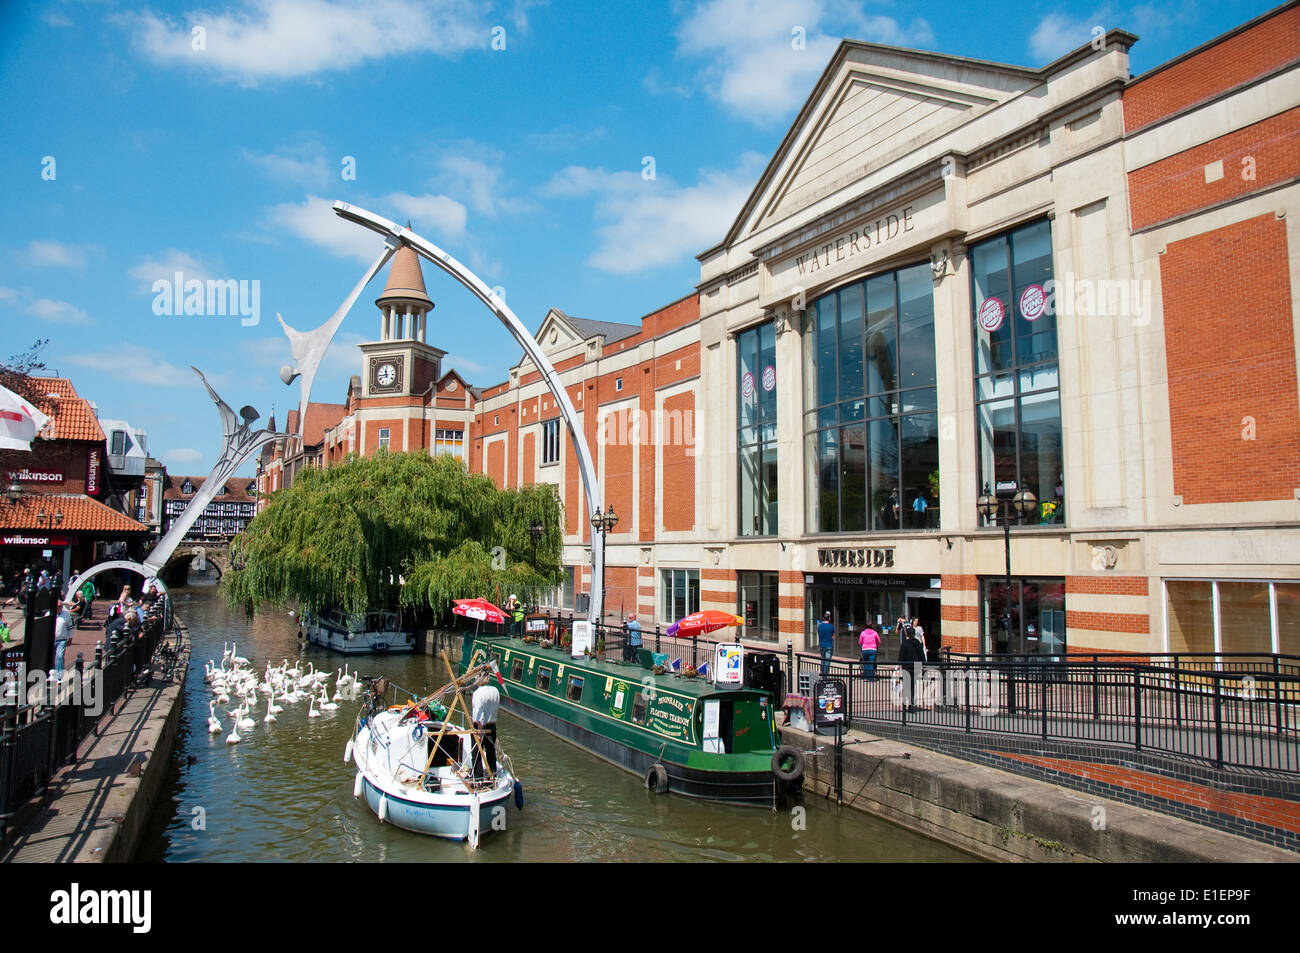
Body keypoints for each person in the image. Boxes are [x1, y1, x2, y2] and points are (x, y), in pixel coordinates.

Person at [471, 676, 501, 780]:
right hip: (492, 725)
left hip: (480, 726)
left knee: (476, 752)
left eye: (476, 676)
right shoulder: (495, 690)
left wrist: (480, 731)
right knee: (491, 751)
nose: (474, 678)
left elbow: (479, 714)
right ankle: (492, 774)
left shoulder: (477, 693)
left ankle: (478, 777)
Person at [897, 624, 927, 710]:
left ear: (907, 635)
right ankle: (911, 703)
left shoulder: (905, 644)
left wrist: (899, 664)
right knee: (912, 686)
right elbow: (922, 657)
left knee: (906, 685)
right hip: (916, 668)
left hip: (906, 667)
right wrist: (923, 664)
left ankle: (905, 703)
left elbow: (901, 657)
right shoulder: (918, 644)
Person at [54, 602, 73, 678]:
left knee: (59, 656)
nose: (58, 608)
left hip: (62, 639)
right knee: (51, 657)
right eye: (57, 606)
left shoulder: (66, 615)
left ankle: (59, 674)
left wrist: (70, 638)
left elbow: (70, 627)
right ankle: (51, 672)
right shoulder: (49, 613)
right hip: (51, 640)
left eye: (60, 606)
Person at [818, 611, 835, 677]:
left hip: (822, 645)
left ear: (823, 618)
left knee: (822, 661)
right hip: (829, 645)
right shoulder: (831, 626)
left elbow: (819, 634)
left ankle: (822, 674)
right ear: (829, 619)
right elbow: (833, 636)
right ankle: (825, 675)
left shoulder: (820, 626)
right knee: (827, 661)